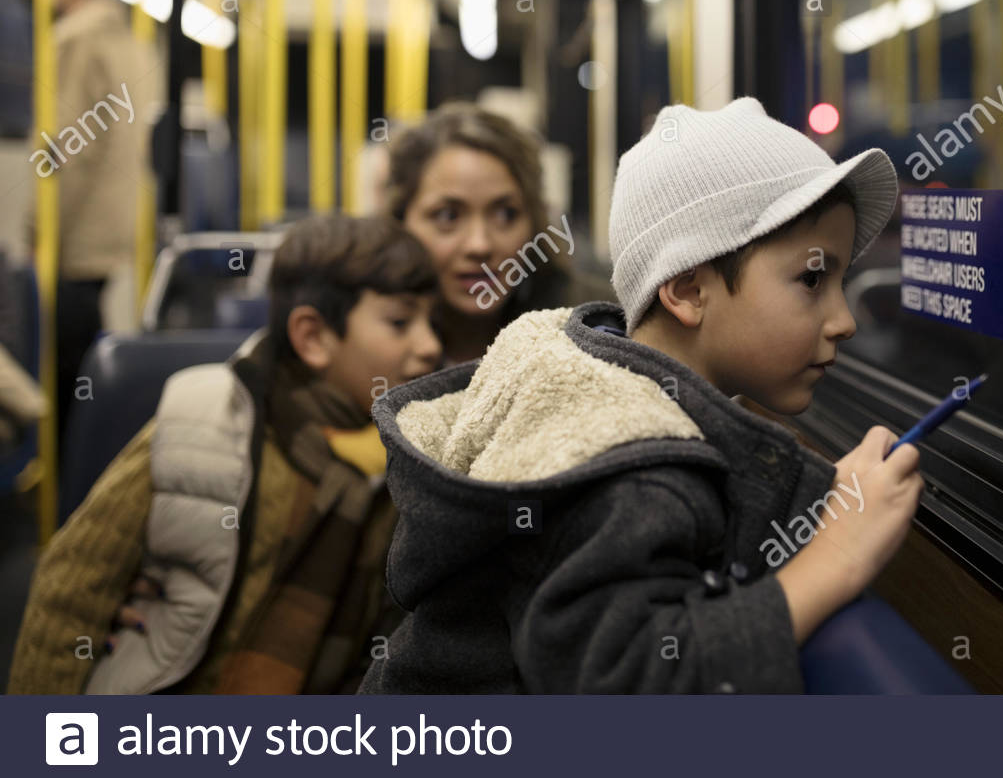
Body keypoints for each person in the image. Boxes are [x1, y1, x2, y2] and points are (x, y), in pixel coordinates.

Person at [360, 97, 922, 693]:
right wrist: (838, 554)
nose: (844, 320)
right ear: (687, 291)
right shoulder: (633, 465)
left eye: (842, 283)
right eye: (812, 279)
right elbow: (620, 687)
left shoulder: (586, 369)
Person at [7, 215, 442, 694]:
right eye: (401, 322)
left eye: (430, 321)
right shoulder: (206, 421)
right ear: (313, 337)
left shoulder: (409, 464)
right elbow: (72, 591)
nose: (430, 345)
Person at [387, 102, 613, 365]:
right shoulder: (361, 342)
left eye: (506, 214)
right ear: (400, 220)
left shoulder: (599, 325)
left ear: (535, 219)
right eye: (448, 216)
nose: (479, 245)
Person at [41, 0, 158, 435]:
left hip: (76, 230)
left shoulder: (72, 39)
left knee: (65, 358)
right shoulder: (135, 45)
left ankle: (68, 472)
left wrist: (38, 231)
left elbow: (64, 147)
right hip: (120, 223)